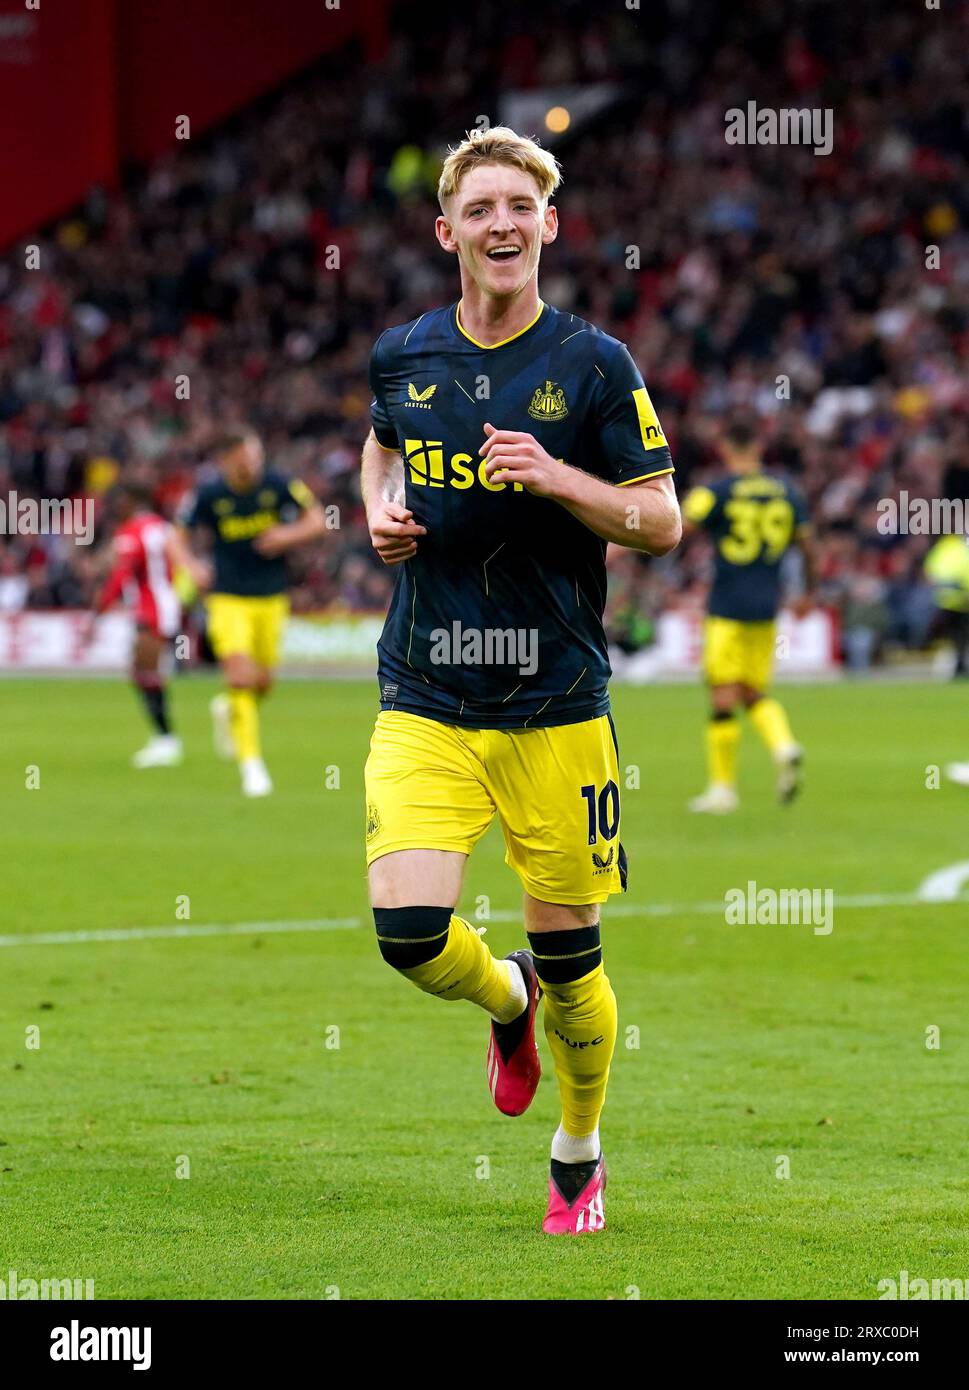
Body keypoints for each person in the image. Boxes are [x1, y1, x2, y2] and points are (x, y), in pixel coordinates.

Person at [361, 127, 681, 1234]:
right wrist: (377, 508)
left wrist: (555, 476)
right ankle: (504, 999)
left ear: (549, 225)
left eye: (521, 208)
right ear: (447, 230)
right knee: (406, 935)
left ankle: (579, 1147)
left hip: (554, 703)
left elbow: (662, 522)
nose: (502, 225)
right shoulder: (402, 353)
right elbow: (379, 441)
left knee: (575, 956)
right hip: (427, 689)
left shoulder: (593, 365)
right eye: (480, 209)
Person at [170, 430, 326, 797]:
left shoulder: (280, 484)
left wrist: (286, 536)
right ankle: (252, 767)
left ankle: (228, 709)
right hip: (227, 598)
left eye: (255, 457)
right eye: (244, 459)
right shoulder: (208, 494)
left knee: (263, 683)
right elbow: (175, 537)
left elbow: (318, 520)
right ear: (227, 460)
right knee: (240, 675)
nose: (252, 465)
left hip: (271, 597)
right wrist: (191, 566)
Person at [681, 415, 812, 813]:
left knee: (722, 696)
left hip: (727, 605)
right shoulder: (787, 491)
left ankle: (723, 789)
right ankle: (783, 744)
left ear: (725, 448)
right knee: (754, 691)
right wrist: (810, 591)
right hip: (767, 605)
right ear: (758, 448)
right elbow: (810, 546)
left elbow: (674, 527)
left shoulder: (715, 491)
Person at [89, 481, 182, 768]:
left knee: (146, 672)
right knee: (142, 672)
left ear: (130, 500)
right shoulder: (162, 527)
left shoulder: (131, 532)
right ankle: (164, 739)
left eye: (119, 502)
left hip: (152, 606)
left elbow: (120, 576)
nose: (116, 508)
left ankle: (166, 741)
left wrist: (99, 611)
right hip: (165, 601)